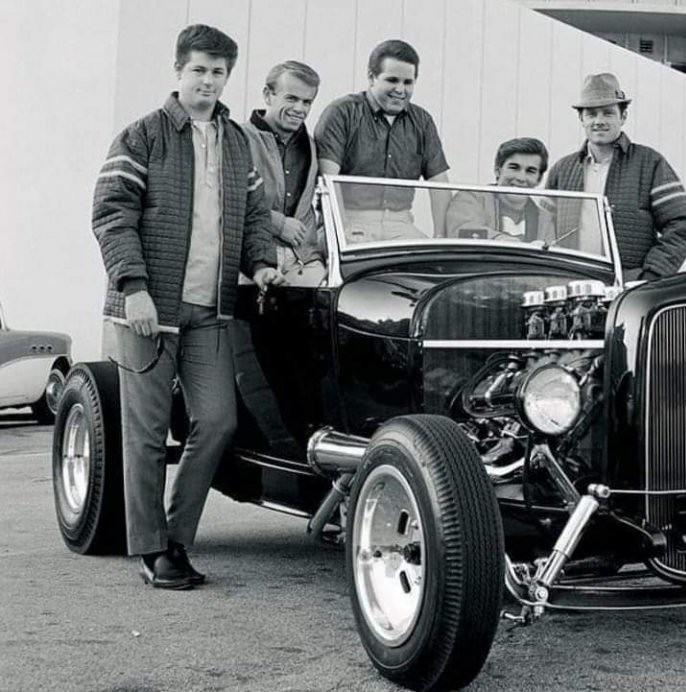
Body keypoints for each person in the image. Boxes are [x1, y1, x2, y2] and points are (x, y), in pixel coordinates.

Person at [92, 24, 282, 590]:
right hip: (148, 310)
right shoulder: (142, 136)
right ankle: (152, 551)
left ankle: (177, 537)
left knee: (219, 421)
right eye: (199, 69)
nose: (208, 81)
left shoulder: (237, 142)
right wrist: (134, 288)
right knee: (148, 435)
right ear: (179, 71)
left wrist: (261, 264)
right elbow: (111, 215)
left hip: (210, 312)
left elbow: (253, 216)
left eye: (218, 72)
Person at [547, 73, 686, 280]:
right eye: (591, 114)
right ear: (581, 119)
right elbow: (543, 228)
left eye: (608, 113)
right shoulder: (562, 169)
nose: (599, 121)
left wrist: (651, 274)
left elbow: (681, 223)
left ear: (623, 116)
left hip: (627, 287)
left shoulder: (649, 163)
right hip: (572, 283)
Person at [314, 39, 450, 243]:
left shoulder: (422, 121)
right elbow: (328, 181)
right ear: (372, 77)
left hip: (401, 223)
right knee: (361, 261)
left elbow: (440, 184)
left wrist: (441, 236)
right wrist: (342, 232)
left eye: (407, 82)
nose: (400, 89)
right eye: (392, 80)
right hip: (347, 220)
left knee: (431, 262)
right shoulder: (341, 113)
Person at [242, 60, 325, 286]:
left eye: (307, 102)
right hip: (253, 260)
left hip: (304, 261)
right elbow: (226, 202)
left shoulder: (312, 145)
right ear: (268, 95)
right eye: (291, 98)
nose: (300, 109)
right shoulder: (240, 138)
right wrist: (279, 224)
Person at [446, 137, 554, 242]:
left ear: (539, 179)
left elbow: (552, 248)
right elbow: (461, 231)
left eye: (530, 171)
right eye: (514, 168)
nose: (521, 178)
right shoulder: (470, 198)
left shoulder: (544, 219)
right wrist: (499, 239)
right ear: (497, 171)